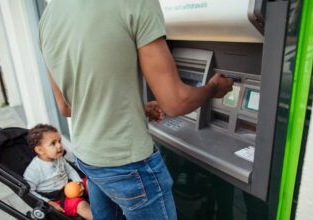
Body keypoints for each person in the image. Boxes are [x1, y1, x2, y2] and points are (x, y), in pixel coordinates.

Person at [38, 0, 233, 219]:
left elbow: (66, 107)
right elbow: (176, 102)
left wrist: (135, 108)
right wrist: (214, 87)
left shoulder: (49, 15)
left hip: (88, 158)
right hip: (128, 165)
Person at [23, 124, 92, 220]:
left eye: (59, 141)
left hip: (69, 186)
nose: (59, 146)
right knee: (80, 205)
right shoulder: (34, 170)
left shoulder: (58, 157)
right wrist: (48, 202)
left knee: (90, 182)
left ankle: (103, 200)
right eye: (53, 143)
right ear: (40, 150)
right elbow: (30, 191)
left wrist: (78, 181)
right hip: (59, 199)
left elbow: (70, 170)